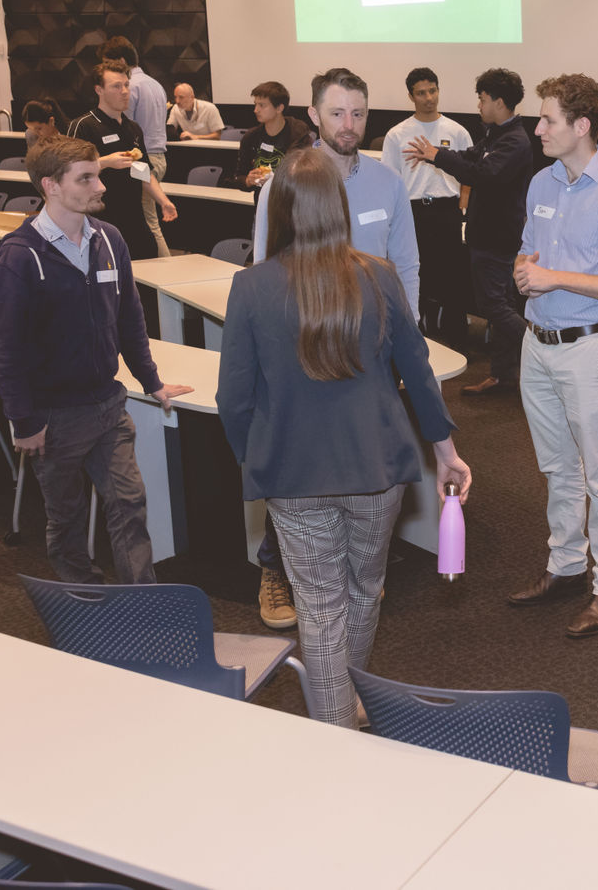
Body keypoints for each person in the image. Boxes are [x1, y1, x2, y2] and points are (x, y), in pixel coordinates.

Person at [217, 148, 470, 729]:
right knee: (364, 591)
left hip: (293, 475)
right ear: (338, 207)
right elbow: (418, 370)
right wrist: (447, 452)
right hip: (377, 470)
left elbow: (234, 399)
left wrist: (254, 461)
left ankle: (332, 722)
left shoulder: (251, 286)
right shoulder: (379, 276)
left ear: (278, 208)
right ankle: (341, 709)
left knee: (319, 607)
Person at [249, 67, 421, 629]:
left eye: (359, 113)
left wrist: (406, 347)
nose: (349, 125)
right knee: (298, 470)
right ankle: (276, 567)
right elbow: (264, 271)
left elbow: (406, 269)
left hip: (369, 355)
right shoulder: (285, 182)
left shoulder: (388, 183)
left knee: (365, 464)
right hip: (302, 354)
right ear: (315, 115)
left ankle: (359, 571)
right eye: (338, 112)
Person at [0, 135, 192, 585]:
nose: (101, 186)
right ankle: (84, 605)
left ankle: (143, 605)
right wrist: (25, 421)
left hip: (108, 406)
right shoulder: (19, 258)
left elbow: (130, 319)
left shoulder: (110, 240)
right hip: (54, 418)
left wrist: (151, 382)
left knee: (130, 505)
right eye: (87, 178)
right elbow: (3, 350)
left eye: (97, 175)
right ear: (51, 186)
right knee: (67, 520)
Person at [507, 73, 598, 638]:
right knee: (556, 467)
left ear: (581, 126)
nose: (537, 128)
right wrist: (525, 270)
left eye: (547, 120)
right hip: (537, 344)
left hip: (590, 349)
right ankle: (567, 566)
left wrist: (551, 277)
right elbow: (529, 251)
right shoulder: (542, 183)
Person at [406, 67, 534, 396]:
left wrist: (438, 156)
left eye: (483, 98)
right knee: (499, 303)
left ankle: (542, 352)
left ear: (500, 102)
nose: (479, 104)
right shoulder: (496, 134)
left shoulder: (515, 141)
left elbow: (483, 173)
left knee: (494, 306)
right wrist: (437, 156)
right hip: (485, 234)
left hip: (497, 237)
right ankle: (504, 376)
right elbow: (470, 157)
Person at [382, 67, 474, 347]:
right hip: (412, 212)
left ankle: (458, 342)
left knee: (454, 280)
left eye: (432, 91)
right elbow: (390, 180)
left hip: (447, 211)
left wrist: (463, 204)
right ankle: (414, 341)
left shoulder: (456, 131)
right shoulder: (397, 135)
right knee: (413, 277)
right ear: (411, 96)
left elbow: (470, 172)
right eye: (421, 93)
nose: (428, 98)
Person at [66, 59, 168, 260]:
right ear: (99, 90)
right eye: (116, 86)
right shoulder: (84, 125)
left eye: (126, 85)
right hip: (99, 221)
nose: (124, 91)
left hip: (134, 220)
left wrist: (163, 201)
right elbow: (67, 171)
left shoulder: (133, 128)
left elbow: (142, 172)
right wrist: (104, 162)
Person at [100, 37, 174, 257]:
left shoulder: (133, 87)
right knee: (148, 221)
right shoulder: (155, 84)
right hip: (158, 155)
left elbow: (123, 127)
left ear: (121, 61)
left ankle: (164, 273)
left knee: (148, 223)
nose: (123, 91)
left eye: (108, 63)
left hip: (141, 160)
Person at [230, 80, 314, 197]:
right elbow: (238, 177)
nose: (256, 110)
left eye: (262, 105)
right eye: (255, 104)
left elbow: (306, 177)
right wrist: (248, 181)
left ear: (279, 108)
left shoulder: (298, 135)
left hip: (291, 202)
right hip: (262, 202)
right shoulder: (251, 137)